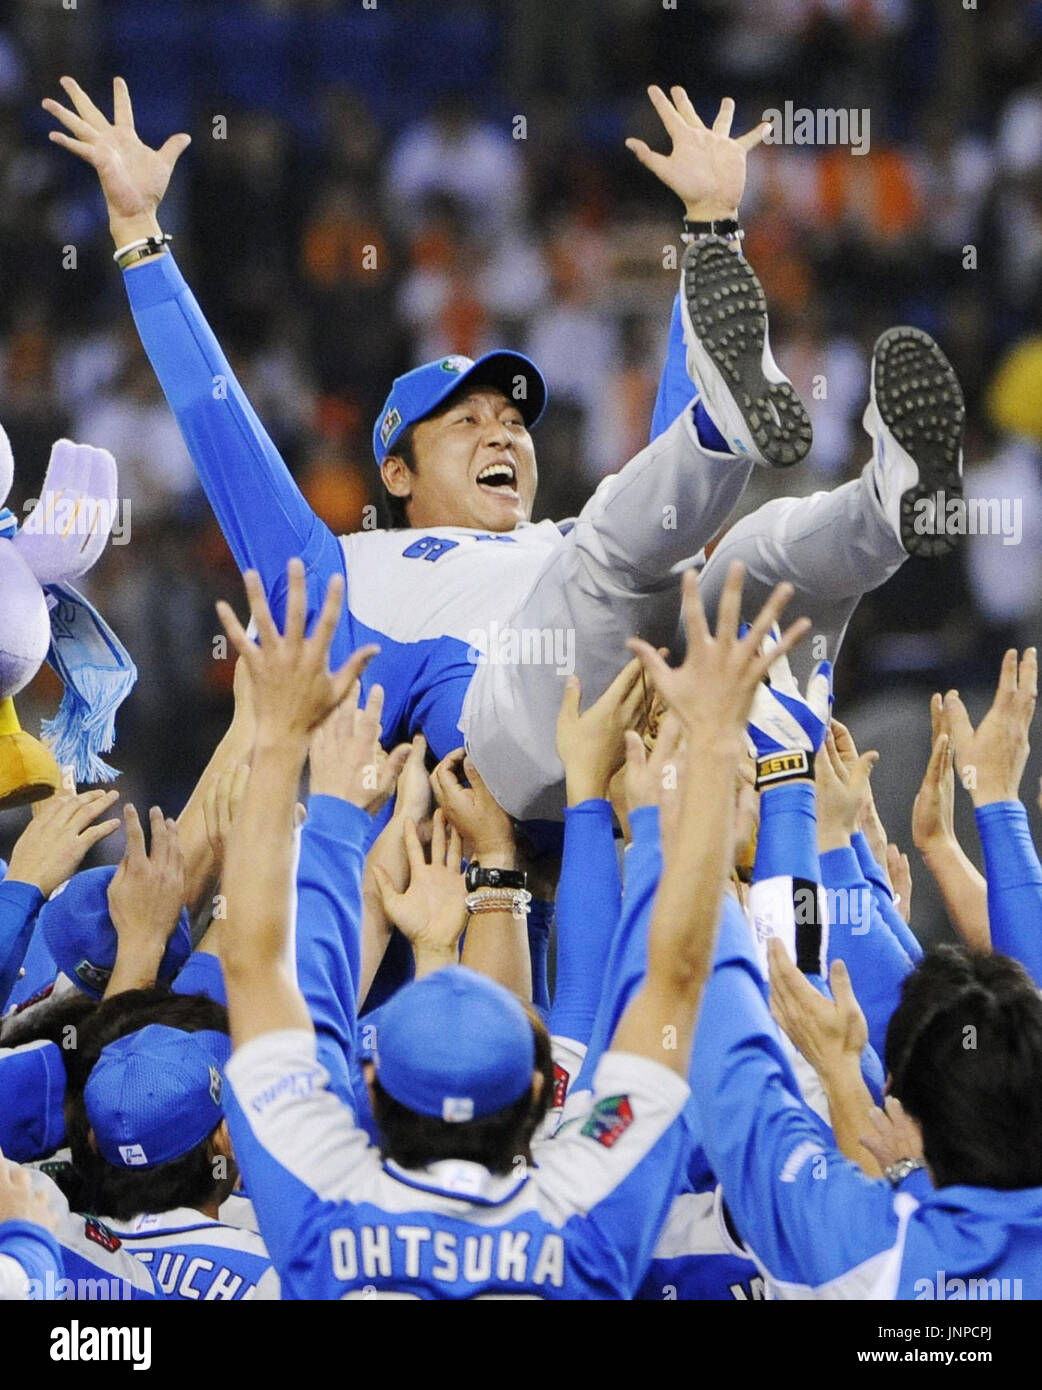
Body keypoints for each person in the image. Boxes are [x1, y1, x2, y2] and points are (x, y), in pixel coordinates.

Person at [44, 78, 962, 822]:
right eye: (467, 421)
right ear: (394, 472)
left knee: (755, 550)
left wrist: (714, 218)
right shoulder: (335, 569)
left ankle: (891, 501)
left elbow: (672, 500)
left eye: (514, 421)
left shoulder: (555, 536)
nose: (505, 433)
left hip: (672, 720)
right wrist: (140, 241)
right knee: (615, 546)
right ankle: (732, 437)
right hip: (513, 751)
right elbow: (223, 430)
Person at [208, 555, 805, 1298]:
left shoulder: (321, 1206)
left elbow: (254, 964)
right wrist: (710, 755)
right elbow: (679, 982)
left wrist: (288, 757)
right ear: (535, 1097)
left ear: (370, 1089)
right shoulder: (585, 1214)